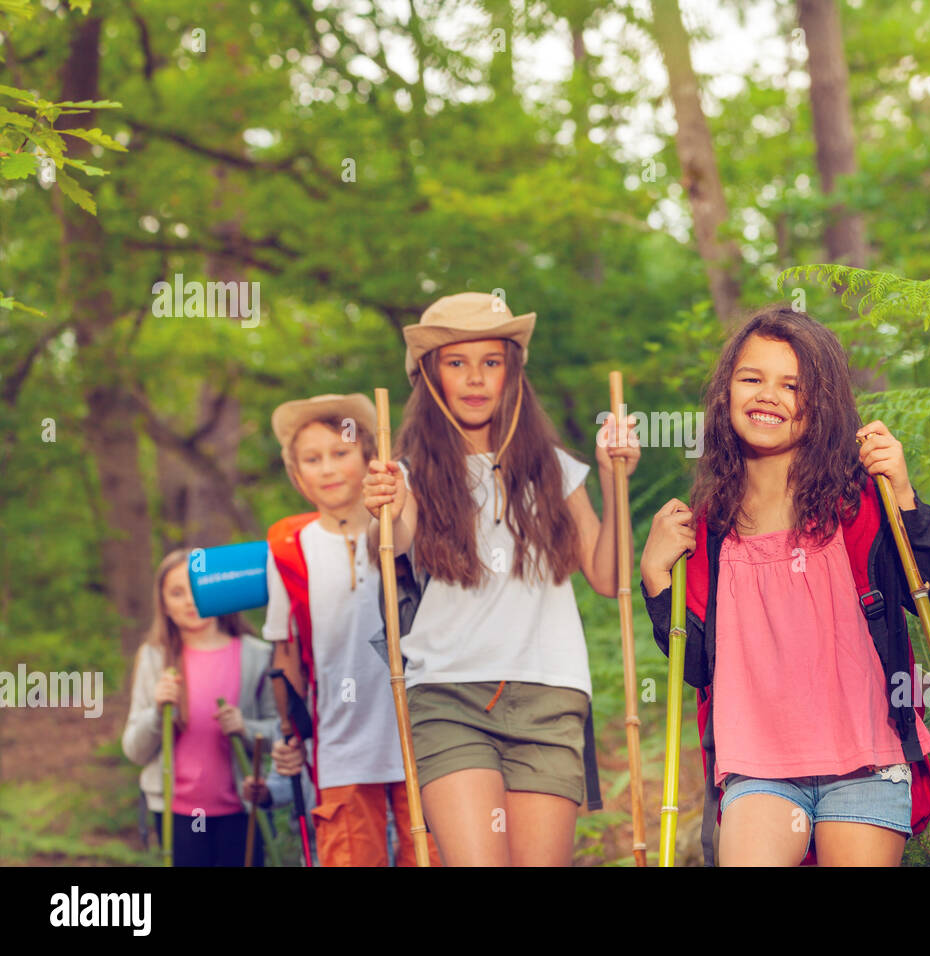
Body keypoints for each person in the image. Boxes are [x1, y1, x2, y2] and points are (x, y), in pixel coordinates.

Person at [639, 305, 930, 866]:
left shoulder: (859, 504)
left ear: (824, 402)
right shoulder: (708, 525)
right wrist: (655, 579)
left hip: (867, 756)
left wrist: (904, 497)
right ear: (725, 392)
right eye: (752, 378)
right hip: (757, 766)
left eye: (793, 384)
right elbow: (696, 665)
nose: (769, 395)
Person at [362, 291, 638, 866]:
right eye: (456, 362)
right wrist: (382, 508)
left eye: (491, 361)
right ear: (429, 376)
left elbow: (610, 578)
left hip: (549, 695)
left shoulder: (555, 472)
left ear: (513, 372)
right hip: (448, 695)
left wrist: (616, 484)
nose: (475, 378)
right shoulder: (408, 476)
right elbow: (390, 542)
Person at [263, 392, 440, 866]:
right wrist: (290, 734)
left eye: (340, 453)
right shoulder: (287, 547)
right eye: (312, 460)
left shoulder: (405, 526)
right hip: (339, 741)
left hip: (421, 732)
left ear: (367, 459)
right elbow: (284, 651)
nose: (327, 468)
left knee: (433, 853)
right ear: (297, 476)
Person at [122, 549, 281, 866]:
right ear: (163, 604)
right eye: (177, 593)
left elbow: (280, 734)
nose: (190, 601)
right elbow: (134, 750)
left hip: (241, 809)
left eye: (200, 588)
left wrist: (246, 727)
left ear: (221, 591)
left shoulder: (257, 655)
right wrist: (158, 710)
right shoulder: (155, 658)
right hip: (177, 812)